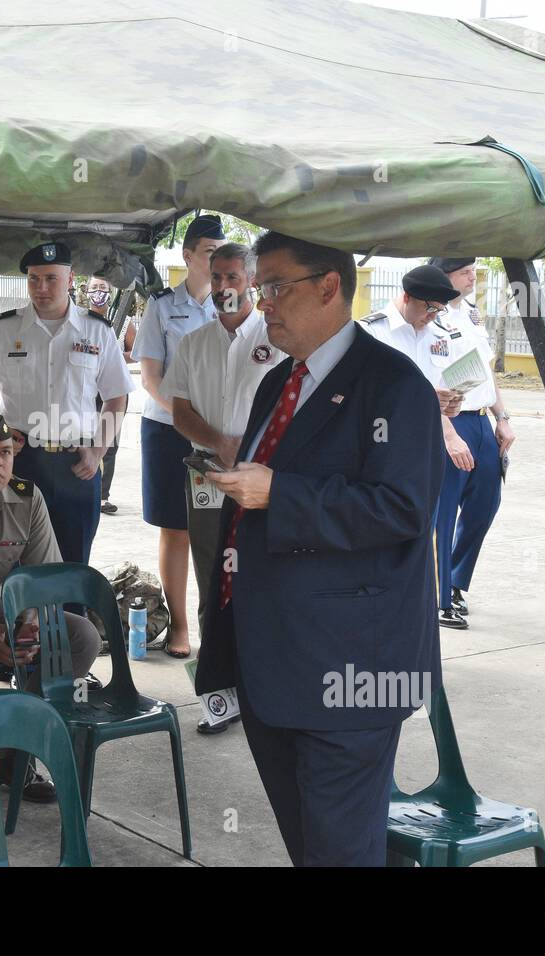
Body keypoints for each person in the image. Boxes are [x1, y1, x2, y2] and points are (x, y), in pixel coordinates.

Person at [195, 233, 443, 866]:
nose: (263, 304)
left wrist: (281, 493)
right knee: (315, 847)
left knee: (340, 849)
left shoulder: (393, 385)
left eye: (275, 287)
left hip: (353, 667)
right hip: (274, 659)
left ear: (329, 287)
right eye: (260, 289)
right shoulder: (280, 379)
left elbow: (403, 508)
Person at [0, 410, 102, 802]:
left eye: (5, 452)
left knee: (80, 635)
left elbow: (44, 581)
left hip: (0, 616)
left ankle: (13, 754)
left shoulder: (26, 498)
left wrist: (29, 625)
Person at [162, 242, 283, 732]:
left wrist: (251, 450)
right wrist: (220, 442)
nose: (223, 288)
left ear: (251, 281)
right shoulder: (194, 343)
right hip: (208, 477)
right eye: (217, 278)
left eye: (233, 277)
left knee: (263, 579)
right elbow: (180, 411)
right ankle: (218, 697)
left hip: (267, 480)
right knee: (213, 580)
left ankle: (265, 691)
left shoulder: (277, 339)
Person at [0, 241, 132, 565]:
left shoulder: (96, 331)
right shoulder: (4, 330)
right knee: (14, 565)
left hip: (78, 465)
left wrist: (99, 450)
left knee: (73, 566)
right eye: (34, 279)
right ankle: (22, 619)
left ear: (71, 279)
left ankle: (73, 618)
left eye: (51, 279)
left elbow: (117, 396)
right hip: (21, 463)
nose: (41, 288)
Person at [132, 214, 226, 657]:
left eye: (223, 253)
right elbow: (151, 379)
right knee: (177, 529)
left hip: (222, 435)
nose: (216, 261)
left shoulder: (236, 308)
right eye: (209, 252)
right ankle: (181, 626)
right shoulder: (162, 307)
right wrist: (192, 421)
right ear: (188, 256)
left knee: (221, 529)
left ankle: (218, 623)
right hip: (170, 431)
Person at [361, 265, 473, 629]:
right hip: (382, 448)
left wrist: (450, 405)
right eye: (428, 308)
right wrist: (425, 398)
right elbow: (364, 398)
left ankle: (415, 612)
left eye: (439, 310)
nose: (432, 316)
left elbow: (443, 388)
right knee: (381, 532)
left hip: (425, 448)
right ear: (406, 297)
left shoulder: (437, 333)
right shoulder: (370, 332)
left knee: (422, 531)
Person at [426, 257, 516, 619]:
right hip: (450, 423)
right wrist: (448, 435)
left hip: (480, 422)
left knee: (484, 507)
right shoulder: (432, 317)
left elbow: (486, 370)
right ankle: (437, 598)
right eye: (465, 272)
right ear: (445, 277)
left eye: (474, 270)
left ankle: (456, 581)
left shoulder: (473, 314)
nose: (473, 276)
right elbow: (429, 381)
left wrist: (502, 417)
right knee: (443, 512)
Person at [84, 276, 128, 515]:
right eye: (94, 288)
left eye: (103, 288)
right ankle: (89, 485)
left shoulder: (124, 320)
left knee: (109, 443)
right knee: (88, 438)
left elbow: (136, 351)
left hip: (113, 389)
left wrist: (116, 359)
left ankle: (103, 495)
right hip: (90, 389)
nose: (99, 292)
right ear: (85, 291)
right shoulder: (81, 322)